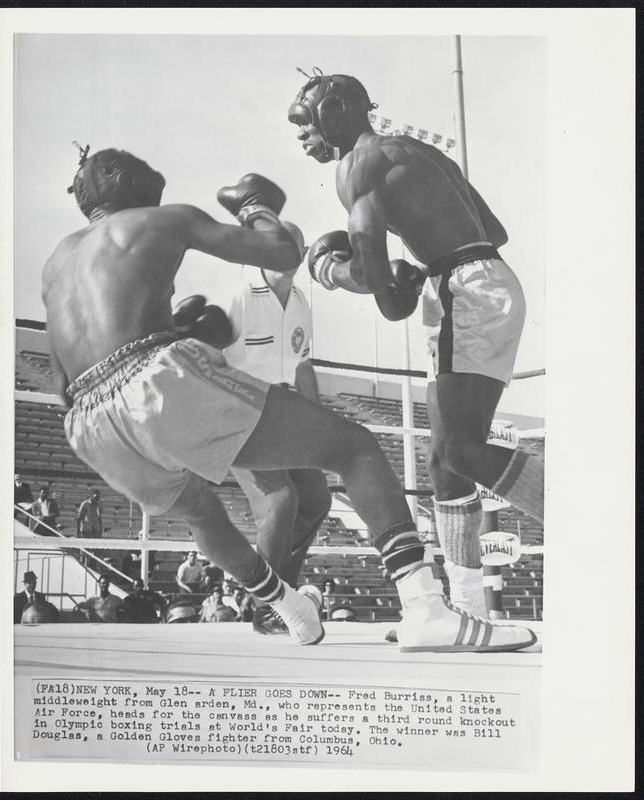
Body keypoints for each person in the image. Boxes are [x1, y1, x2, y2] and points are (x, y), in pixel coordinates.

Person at [46, 145, 534, 652]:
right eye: (148, 176)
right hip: (162, 381)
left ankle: (286, 605)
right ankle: (425, 608)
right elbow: (280, 251)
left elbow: (62, 380)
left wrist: (172, 333)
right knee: (355, 449)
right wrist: (255, 206)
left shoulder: (59, 260)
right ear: (129, 185)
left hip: (87, 422)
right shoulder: (162, 220)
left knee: (201, 511)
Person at [289, 71, 545, 622]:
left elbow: (377, 281)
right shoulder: (418, 152)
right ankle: (470, 607)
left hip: (463, 290)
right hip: (477, 279)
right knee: (443, 458)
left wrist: (331, 270)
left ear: (333, 111)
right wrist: (419, 261)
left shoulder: (355, 165)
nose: (301, 135)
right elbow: (494, 230)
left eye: (304, 122)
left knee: (458, 451)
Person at [172, 220, 332, 637]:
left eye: (293, 247)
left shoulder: (301, 301)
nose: (285, 254)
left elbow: (303, 365)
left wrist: (319, 423)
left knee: (316, 499)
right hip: (239, 410)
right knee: (280, 501)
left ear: (302, 253)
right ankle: (269, 608)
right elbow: (197, 352)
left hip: (285, 410)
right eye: (277, 245)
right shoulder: (238, 295)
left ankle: (281, 591)